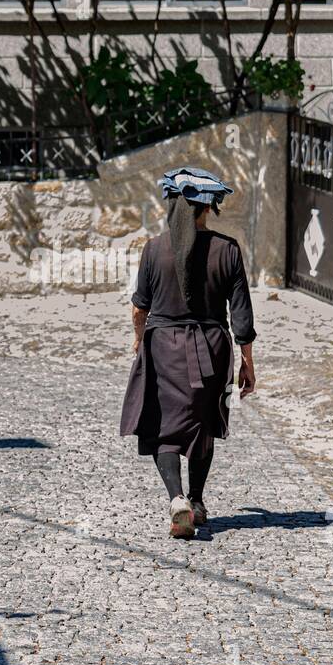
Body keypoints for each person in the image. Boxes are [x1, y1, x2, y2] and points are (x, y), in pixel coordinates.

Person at [119, 167, 256, 539]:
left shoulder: (153, 249)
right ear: (208, 207)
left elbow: (139, 308)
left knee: (164, 426)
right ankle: (196, 501)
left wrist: (138, 340)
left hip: (163, 349)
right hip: (211, 351)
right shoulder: (227, 251)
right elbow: (241, 316)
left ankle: (176, 498)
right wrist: (248, 363)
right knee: (203, 423)